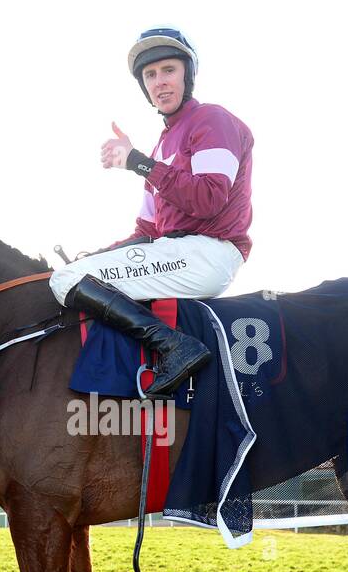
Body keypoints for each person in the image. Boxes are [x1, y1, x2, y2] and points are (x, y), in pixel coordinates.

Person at [49, 26, 255, 397]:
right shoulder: (161, 146)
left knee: (63, 281)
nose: (159, 82)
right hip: (174, 251)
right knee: (74, 273)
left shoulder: (212, 119)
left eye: (168, 70)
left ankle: (176, 347)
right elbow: (147, 230)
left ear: (188, 75)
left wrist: (138, 162)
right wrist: (97, 256)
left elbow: (209, 199)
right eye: (150, 75)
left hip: (209, 253)